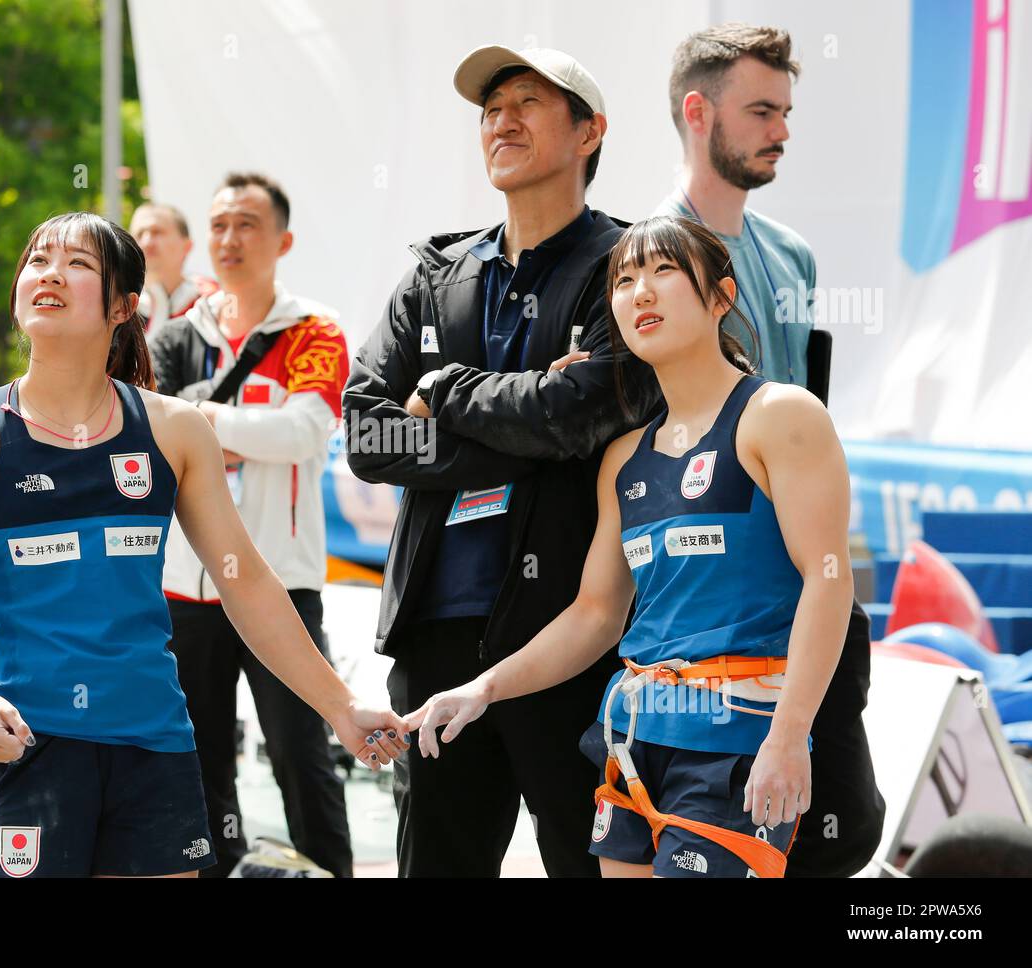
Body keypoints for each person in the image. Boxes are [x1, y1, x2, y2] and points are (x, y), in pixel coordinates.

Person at [0, 211, 406, 879]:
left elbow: (245, 580)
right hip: (29, 748)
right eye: (38, 259)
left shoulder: (174, 430)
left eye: (78, 263)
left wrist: (340, 706)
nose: (49, 273)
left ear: (122, 307)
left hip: (155, 750)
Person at [405, 215, 852, 878]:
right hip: (635, 742)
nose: (640, 291)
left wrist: (788, 736)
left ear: (721, 296)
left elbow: (830, 579)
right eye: (624, 278)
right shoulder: (623, 459)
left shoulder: (780, 416)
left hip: (736, 743)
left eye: (663, 271)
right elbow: (595, 614)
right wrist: (483, 688)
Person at [344, 45, 661, 877]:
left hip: (575, 635)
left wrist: (444, 388)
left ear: (589, 131)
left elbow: (581, 412)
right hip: (438, 635)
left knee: (593, 864)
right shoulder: (435, 271)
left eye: (527, 102)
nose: (502, 121)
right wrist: (528, 427)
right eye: (490, 109)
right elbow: (369, 438)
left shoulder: (630, 266)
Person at [656, 23, 885, 876]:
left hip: (813, 581)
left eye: (786, 111)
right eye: (760, 110)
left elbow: (805, 409)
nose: (781, 130)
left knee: (842, 833)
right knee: (731, 836)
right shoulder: (643, 255)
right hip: (714, 602)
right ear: (696, 111)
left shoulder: (793, 255)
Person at [146, 173, 355, 878]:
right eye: (219, 226)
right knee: (200, 757)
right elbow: (157, 443)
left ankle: (331, 871)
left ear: (283, 241)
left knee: (302, 753)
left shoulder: (314, 331)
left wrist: (201, 425)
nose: (229, 240)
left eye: (247, 225)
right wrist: (233, 434)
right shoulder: (174, 338)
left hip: (280, 584)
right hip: (183, 587)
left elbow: (304, 433)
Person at [129, 202, 218, 333]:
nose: (147, 242)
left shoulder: (212, 300)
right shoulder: (120, 308)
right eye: (140, 234)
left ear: (187, 246)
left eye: (157, 232)